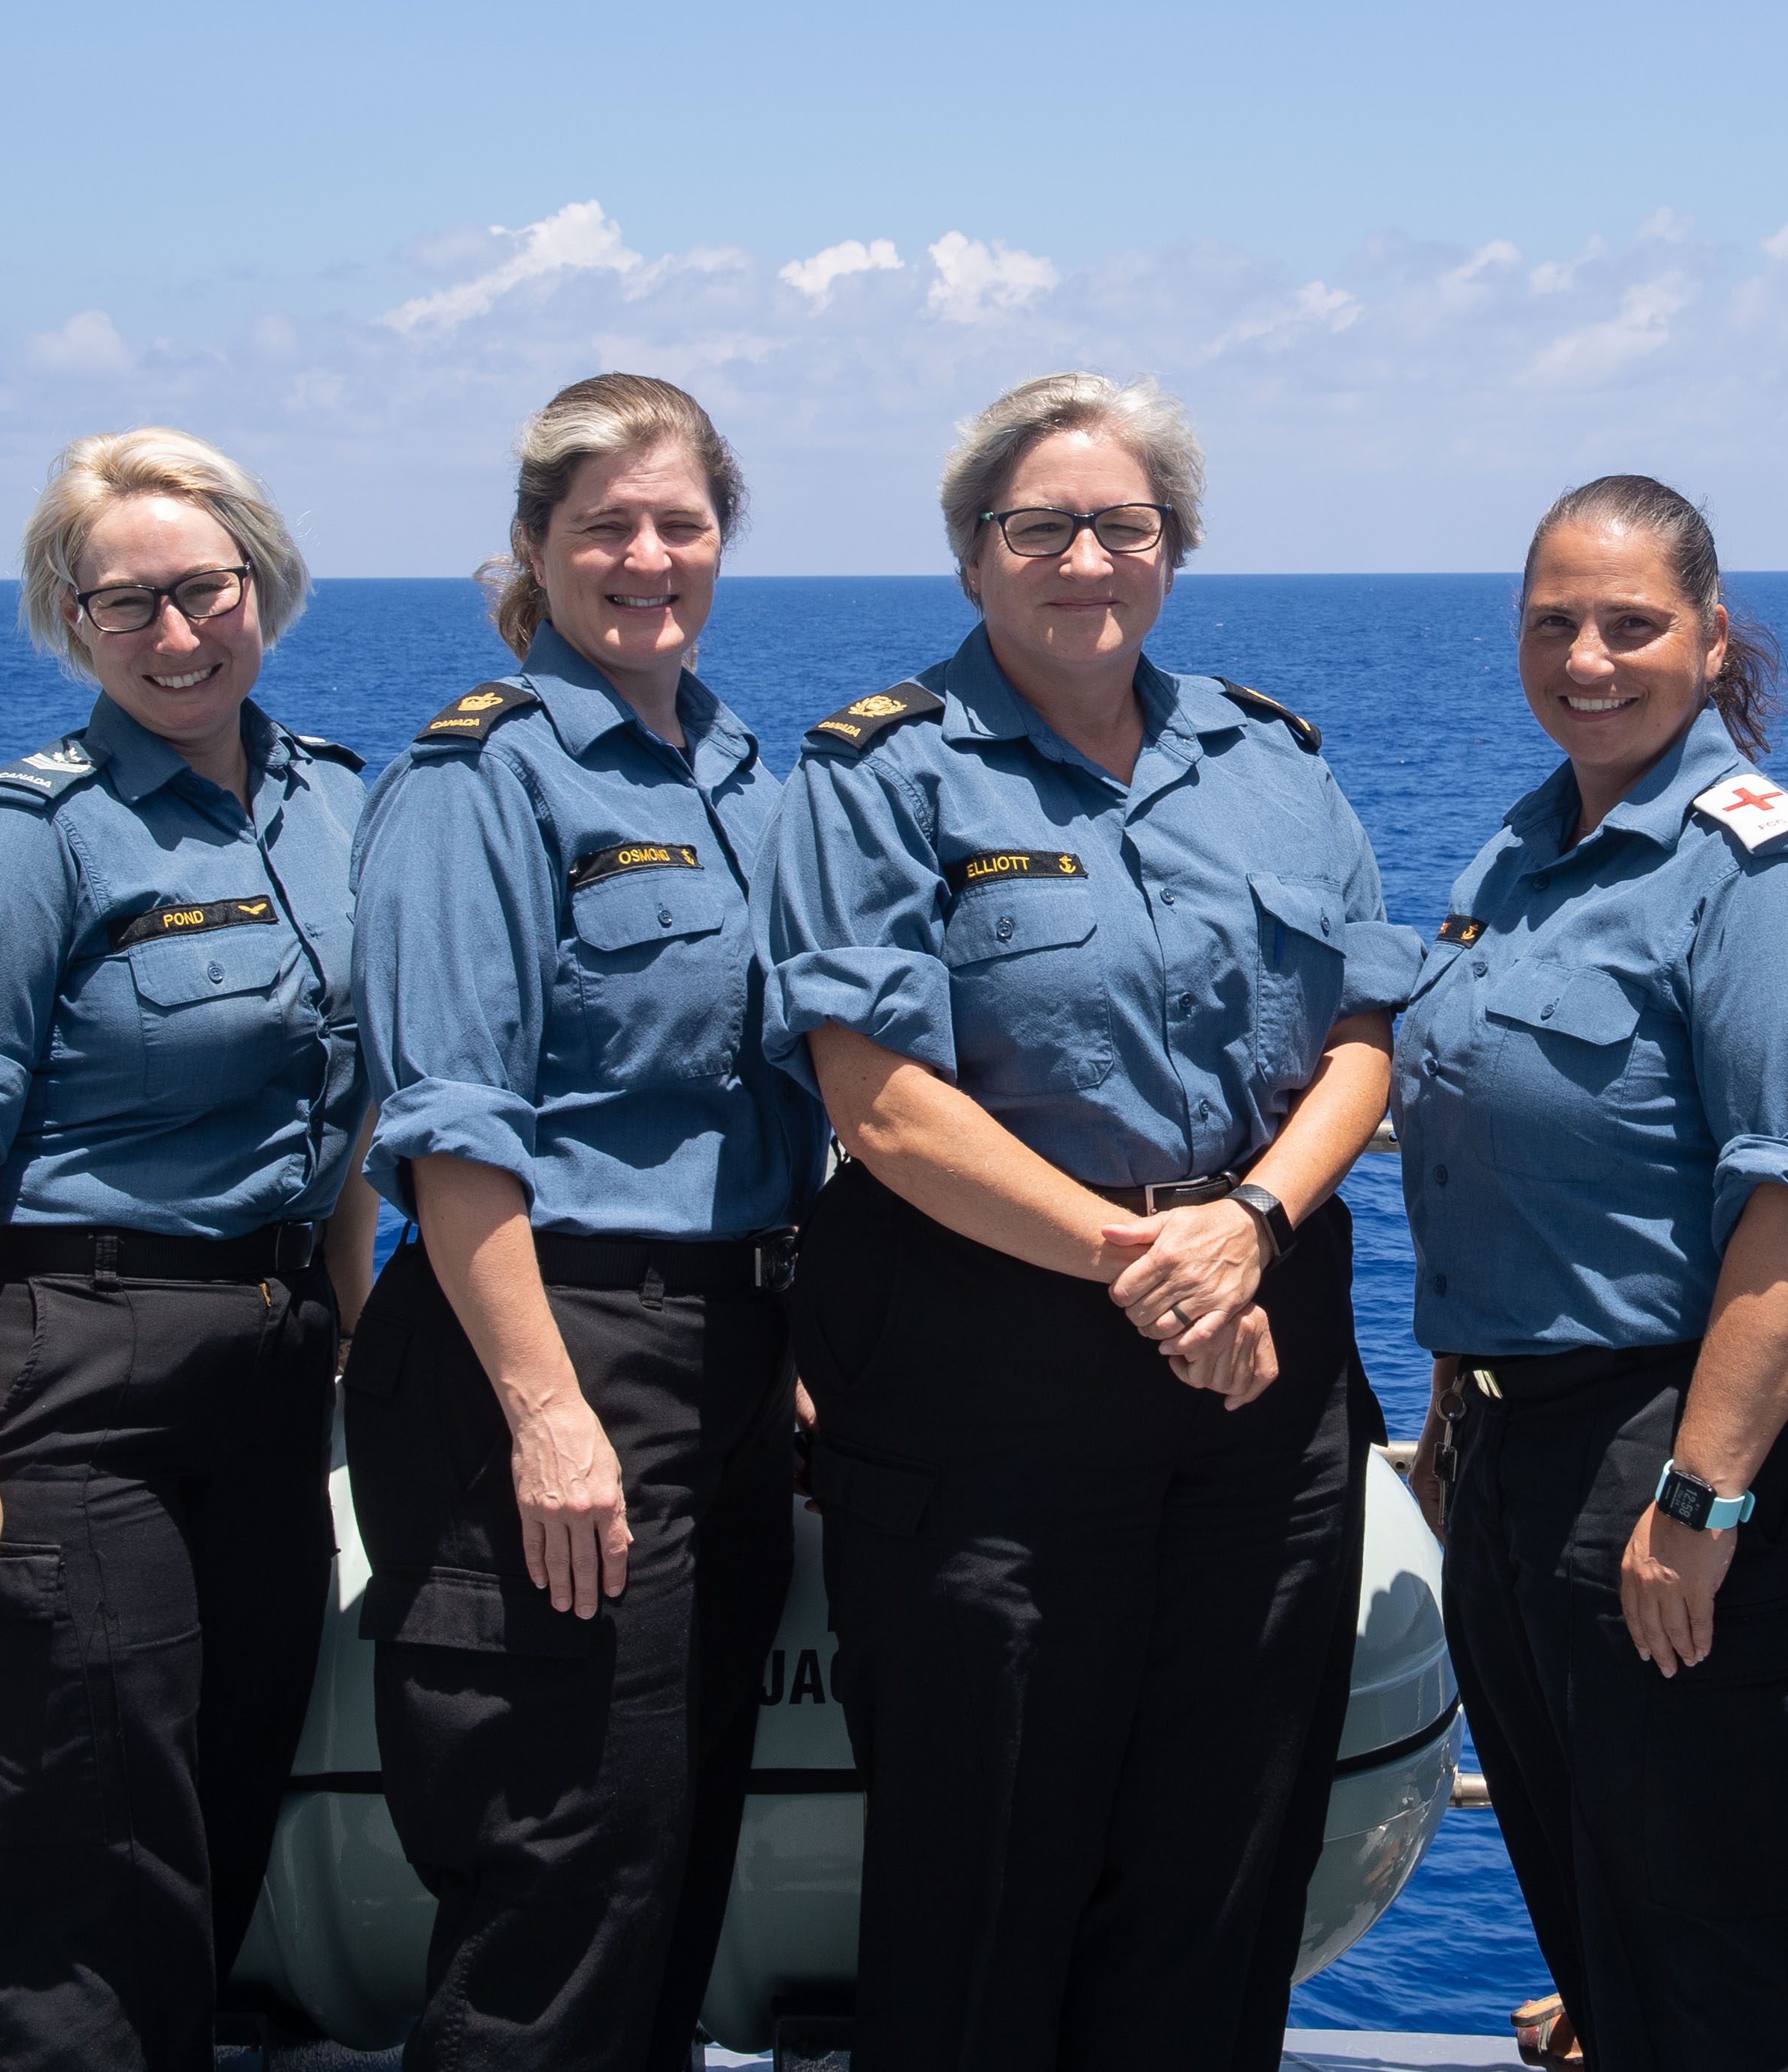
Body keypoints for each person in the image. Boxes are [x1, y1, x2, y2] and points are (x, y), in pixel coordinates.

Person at [756, 372, 1417, 2071]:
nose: (1082, 557)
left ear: (1173, 549)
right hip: (994, 1387)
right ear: (972, 560)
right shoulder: (882, 776)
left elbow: (1363, 1035)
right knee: (982, 1885)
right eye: (1035, 525)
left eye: (1121, 523)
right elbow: (881, 1102)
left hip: (1257, 1385)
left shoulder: (1266, 762)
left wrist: (1250, 1222)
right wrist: (1162, 1269)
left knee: (1219, 1874)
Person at [0, 427, 377, 2071]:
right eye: (127, 604)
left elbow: (350, 1120)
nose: (177, 637)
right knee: (90, 1863)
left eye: (206, 590)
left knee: (214, 1833)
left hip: (270, 1375)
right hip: (72, 1382)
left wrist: (365, 1338)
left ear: (265, 587)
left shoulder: (341, 813)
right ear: (69, 621)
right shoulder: (27, 842)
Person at [1396, 475, 1788, 2072]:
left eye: (1630, 624)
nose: (1588, 658)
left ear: (1708, 634)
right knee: (1603, 1928)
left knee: (1744, 1967)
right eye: (1553, 624)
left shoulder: (1763, 877)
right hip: (1515, 1456)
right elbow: (1489, 1169)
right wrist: (1446, 1424)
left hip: (1688, 1448)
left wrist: (1699, 1501)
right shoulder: (1524, 857)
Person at [345, 374, 822, 2072]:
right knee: (561, 1880)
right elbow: (451, 1133)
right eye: (603, 525)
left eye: (679, 522)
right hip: (541, 1352)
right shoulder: (481, 784)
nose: (646, 555)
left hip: (723, 1355)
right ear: (535, 549)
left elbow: (772, 1105)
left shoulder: (746, 778)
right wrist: (549, 1419)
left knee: (668, 1865)